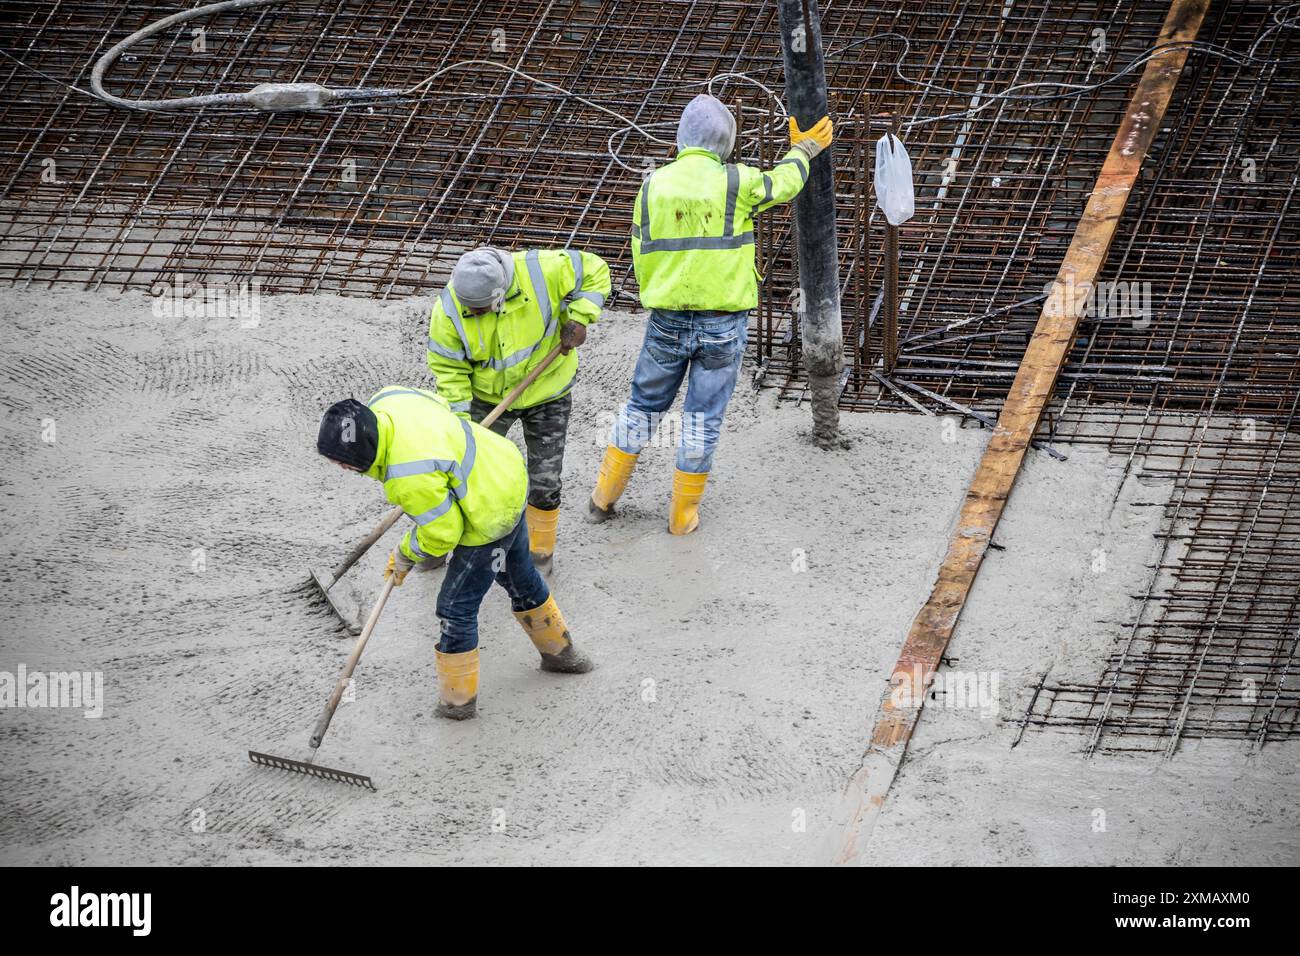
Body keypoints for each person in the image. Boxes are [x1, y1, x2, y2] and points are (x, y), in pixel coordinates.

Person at [588, 94, 832, 534]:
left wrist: (663, 293)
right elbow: (784, 184)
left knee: (642, 406)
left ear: (681, 139)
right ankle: (682, 518)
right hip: (722, 323)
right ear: (725, 143)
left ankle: (603, 496)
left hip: (666, 320)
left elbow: (640, 252)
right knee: (702, 418)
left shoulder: (652, 186)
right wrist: (803, 150)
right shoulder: (735, 182)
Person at [316, 385, 594, 721]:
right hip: (505, 473)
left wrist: (406, 552)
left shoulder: (408, 477)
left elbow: (444, 534)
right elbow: (441, 409)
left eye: (343, 463)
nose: (342, 469)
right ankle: (562, 654)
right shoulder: (389, 400)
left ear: (363, 452)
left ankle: (457, 703)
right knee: (519, 577)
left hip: (490, 514)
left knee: (454, 607)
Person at [427, 246, 611, 574]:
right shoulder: (449, 309)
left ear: (501, 294)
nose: (475, 314)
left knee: (545, 479)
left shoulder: (543, 270)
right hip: (487, 397)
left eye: (481, 309)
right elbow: (449, 368)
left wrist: (580, 318)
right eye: (471, 309)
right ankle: (442, 540)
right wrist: (461, 421)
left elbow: (595, 270)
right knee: (469, 473)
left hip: (547, 390)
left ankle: (539, 554)